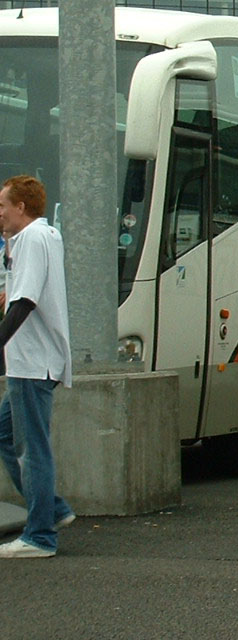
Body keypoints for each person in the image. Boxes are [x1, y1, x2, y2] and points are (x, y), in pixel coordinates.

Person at [0, 175, 74, 559]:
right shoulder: (46, 236)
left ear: (21, 208)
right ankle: (53, 509)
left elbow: (25, 301)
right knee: (6, 436)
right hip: (33, 362)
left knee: (33, 449)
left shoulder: (30, 239)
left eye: (2, 206)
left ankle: (40, 536)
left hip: (31, 363)